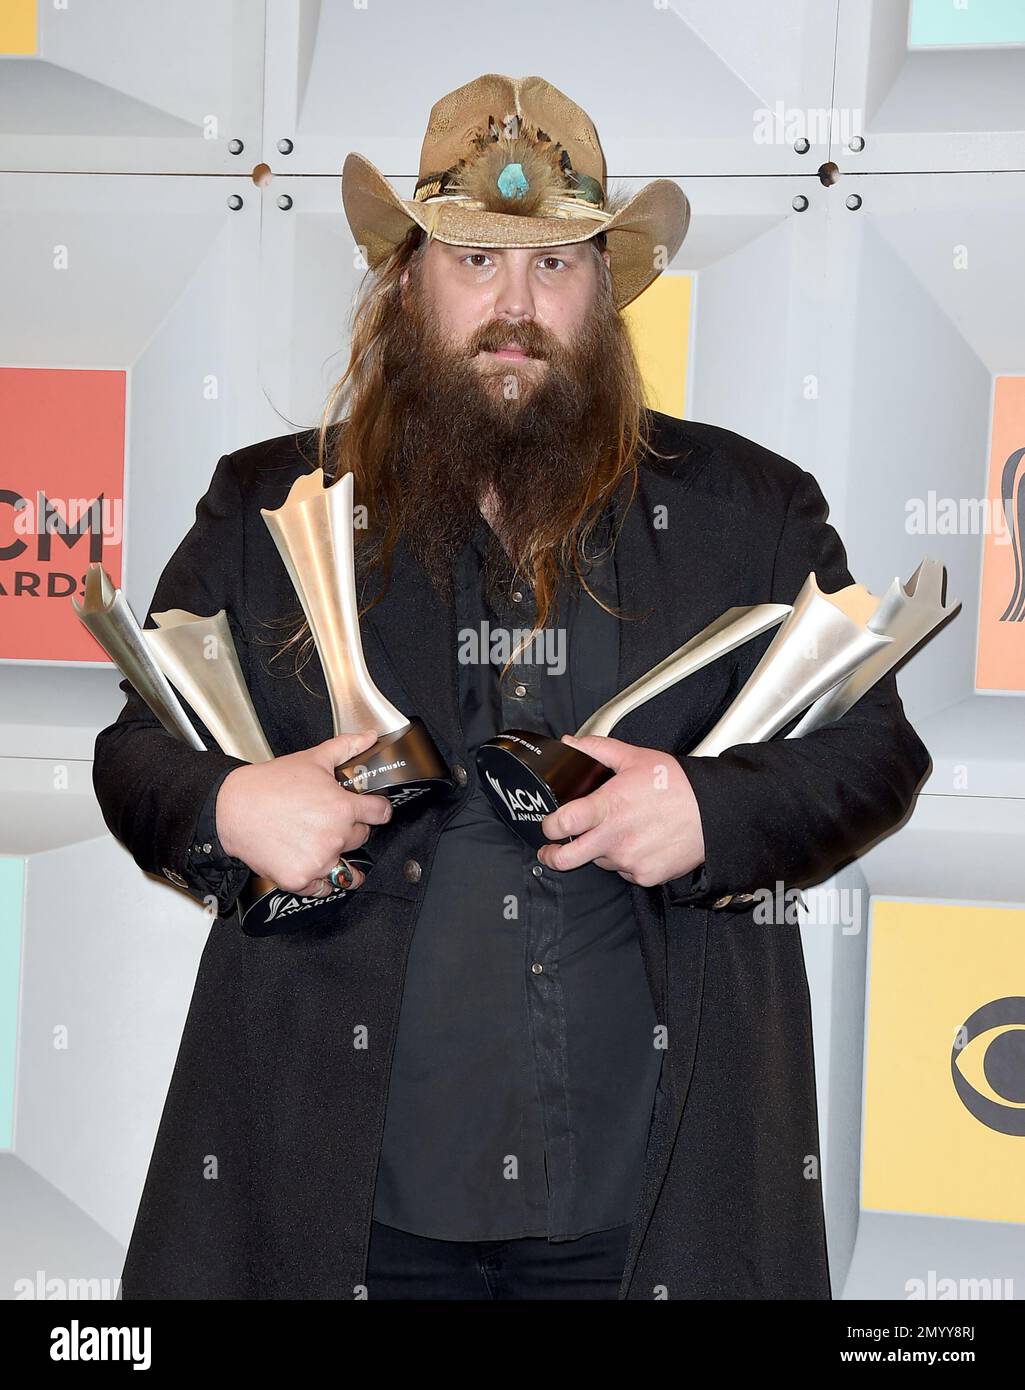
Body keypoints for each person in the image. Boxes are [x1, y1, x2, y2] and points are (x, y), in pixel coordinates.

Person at [93, 73, 931, 1301]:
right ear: (407, 283)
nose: (514, 306)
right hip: (341, 1203)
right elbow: (133, 752)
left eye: (555, 267)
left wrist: (709, 810)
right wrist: (233, 809)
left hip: (649, 1207)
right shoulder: (271, 505)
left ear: (606, 291)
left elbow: (878, 753)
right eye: (475, 259)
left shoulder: (747, 508)